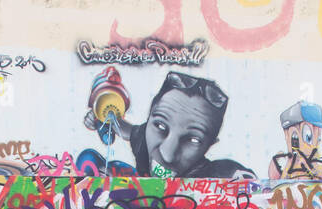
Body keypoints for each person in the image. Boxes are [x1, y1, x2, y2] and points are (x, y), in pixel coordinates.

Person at [83, 70, 254, 179]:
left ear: (210, 145)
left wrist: (245, 183)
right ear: (148, 119)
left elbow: (226, 171)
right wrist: (99, 117)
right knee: (89, 160)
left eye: (193, 140)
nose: (167, 154)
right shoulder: (143, 137)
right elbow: (121, 126)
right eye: (160, 127)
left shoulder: (206, 174)